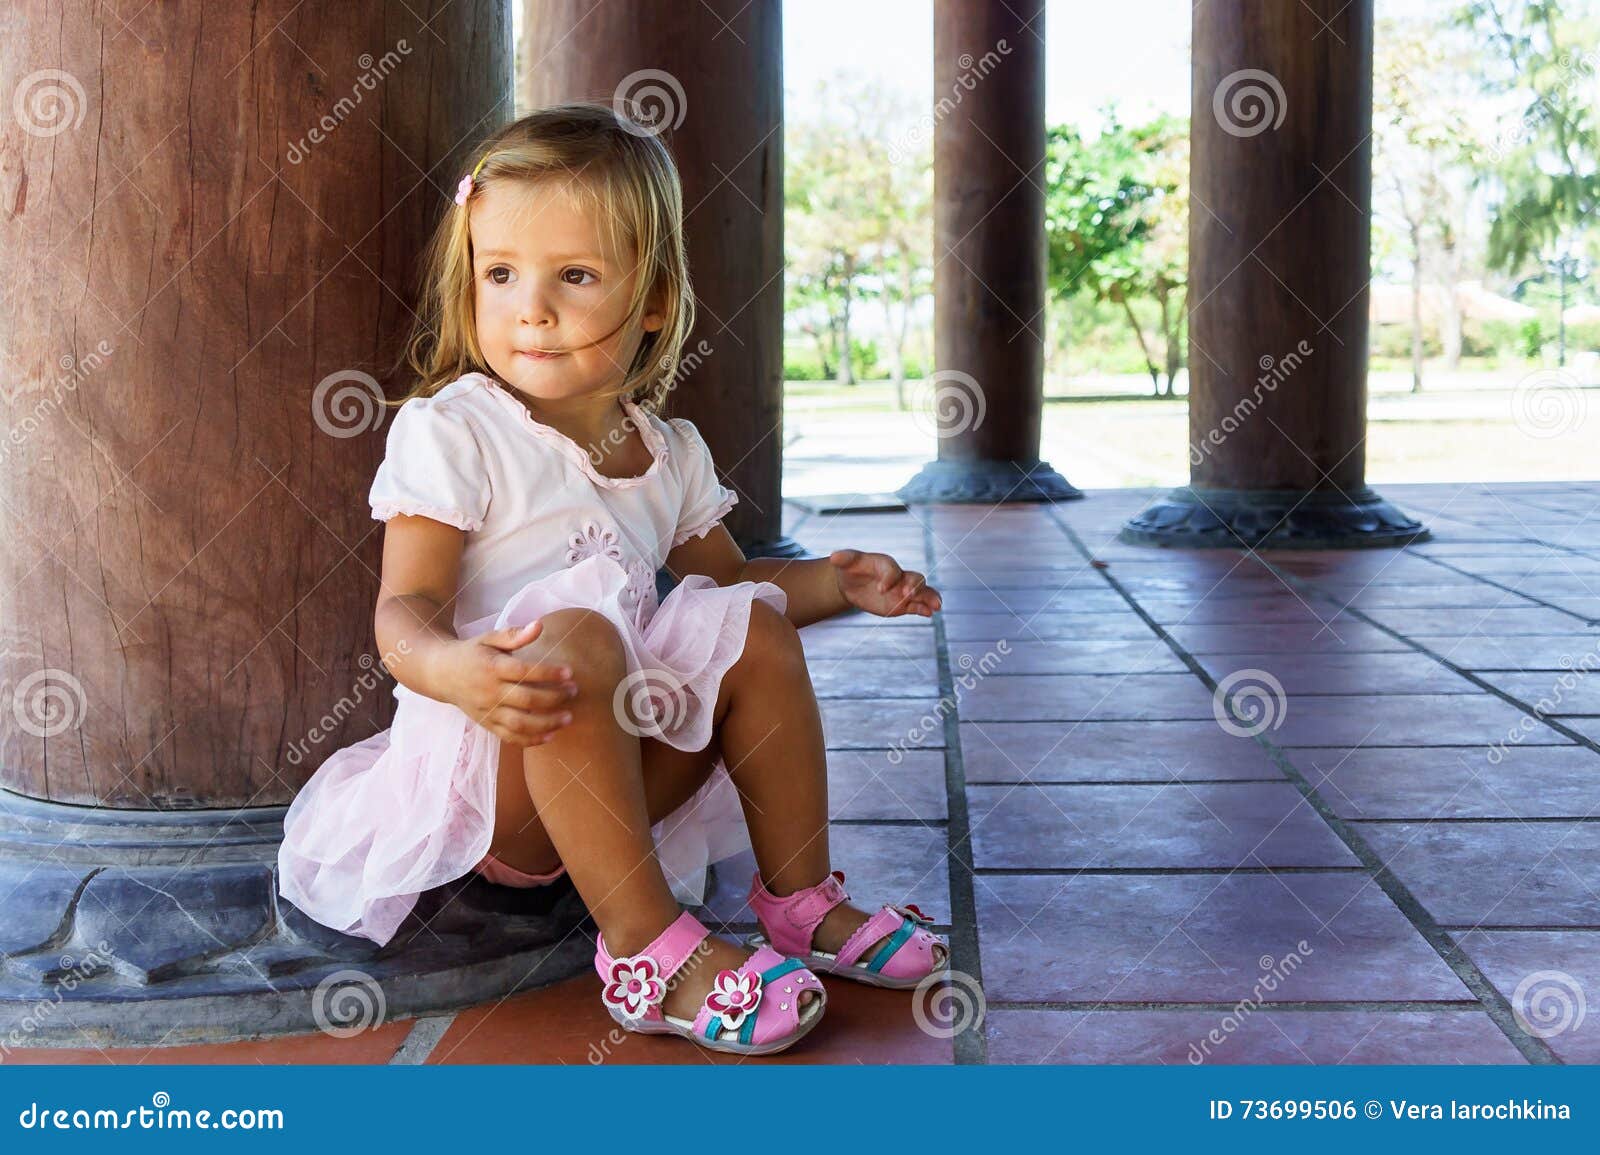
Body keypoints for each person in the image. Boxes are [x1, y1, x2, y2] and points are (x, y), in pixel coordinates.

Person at [277, 103, 947, 1056]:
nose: (531, 307)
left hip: (622, 778)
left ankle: (801, 899)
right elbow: (405, 609)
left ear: (656, 300)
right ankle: (645, 950)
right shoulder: (456, 429)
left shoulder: (667, 450)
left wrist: (837, 585)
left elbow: (731, 581)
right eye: (500, 273)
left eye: (576, 275)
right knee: (576, 635)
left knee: (750, 622)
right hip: (495, 784)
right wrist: (453, 668)